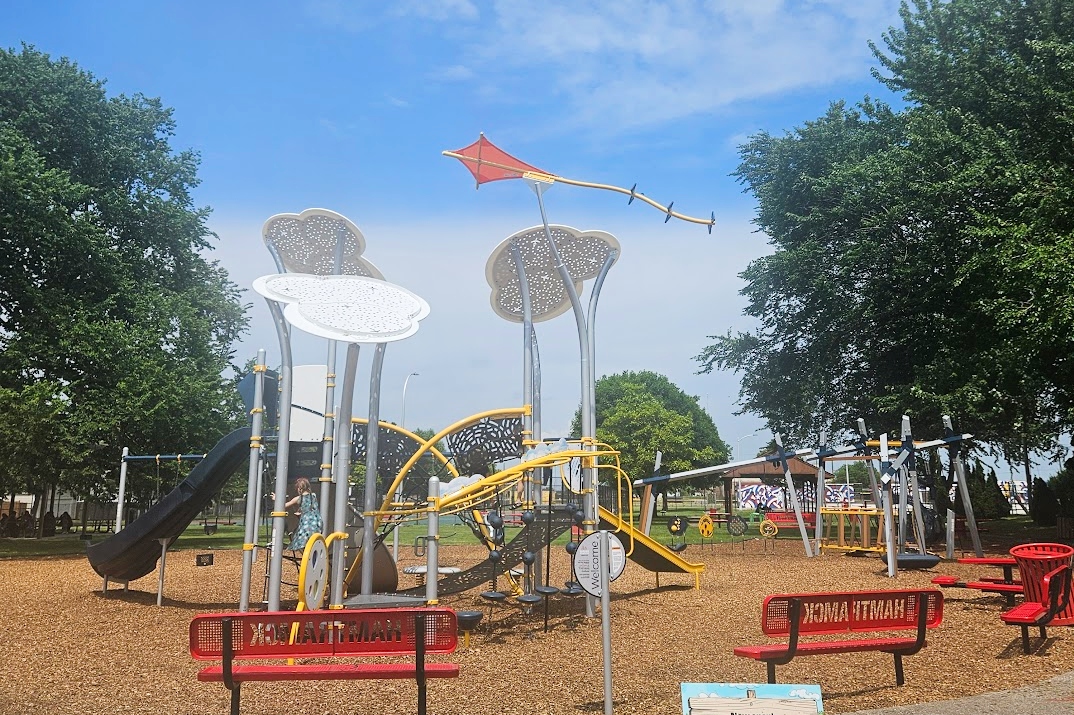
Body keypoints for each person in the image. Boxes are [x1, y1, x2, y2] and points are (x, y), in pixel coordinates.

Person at [271, 478, 322, 552]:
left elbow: (283, 506)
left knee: (301, 540)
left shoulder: (298, 498)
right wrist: (301, 512)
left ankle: (306, 555)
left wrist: (276, 499)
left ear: (299, 489)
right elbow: (310, 508)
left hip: (306, 524)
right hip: (317, 522)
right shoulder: (313, 496)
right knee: (313, 541)